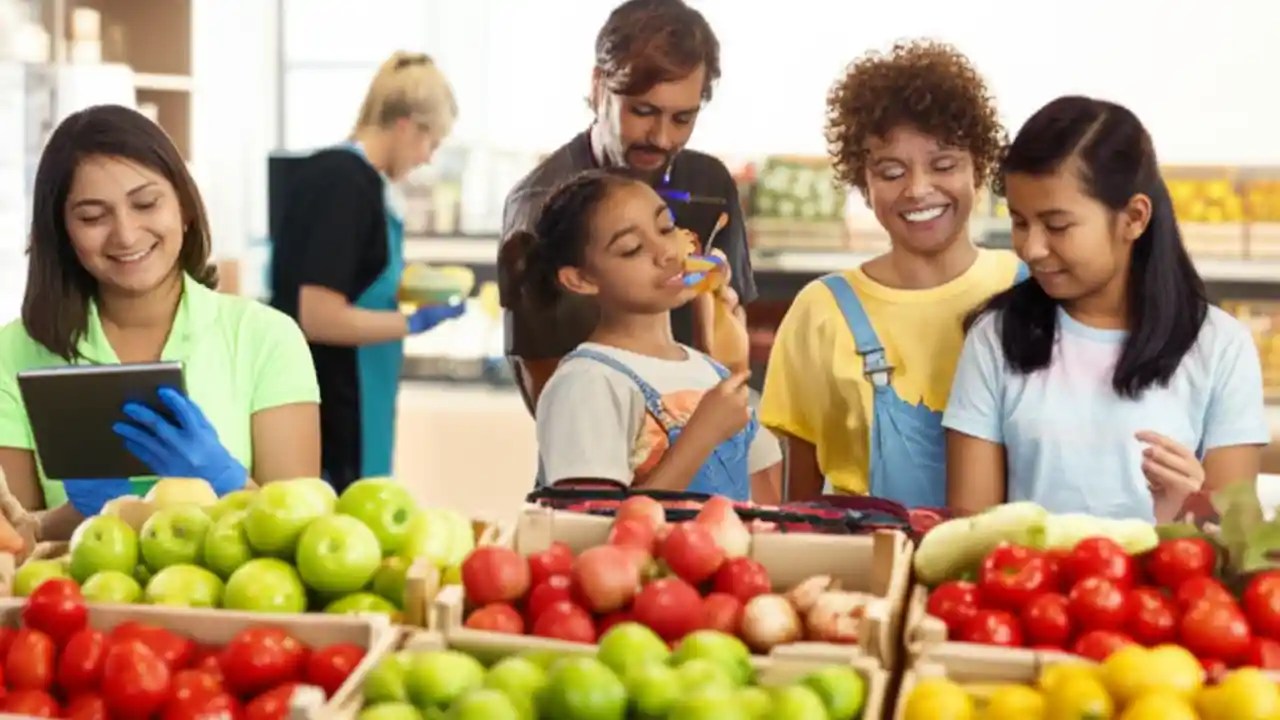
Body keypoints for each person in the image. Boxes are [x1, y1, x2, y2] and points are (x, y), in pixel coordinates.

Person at [0, 104, 321, 543]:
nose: (126, 235)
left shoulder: (266, 338)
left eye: (146, 203)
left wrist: (227, 484)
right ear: (63, 232)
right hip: (74, 607)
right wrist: (76, 515)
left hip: (227, 607)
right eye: (93, 217)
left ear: (185, 207)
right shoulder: (15, 351)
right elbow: (13, 544)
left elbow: (303, 536)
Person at [943, 96, 1268, 523]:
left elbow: (1237, 546)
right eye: (1020, 222)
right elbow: (971, 532)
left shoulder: (1221, 346)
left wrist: (1191, 510)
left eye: (1057, 226)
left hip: (1167, 588)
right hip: (1032, 588)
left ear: (1133, 218)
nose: (1032, 248)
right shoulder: (995, 338)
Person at [760, 41, 1024, 506]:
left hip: (1012, 570)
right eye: (891, 171)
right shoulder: (822, 311)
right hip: (864, 564)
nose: (918, 190)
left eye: (944, 165)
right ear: (863, 182)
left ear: (978, 169)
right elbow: (796, 501)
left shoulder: (1027, 289)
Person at [498, 0, 756, 414]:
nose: (662, 137)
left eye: (682, 118)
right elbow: (543, 381)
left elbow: (734, 326)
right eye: (643, 111)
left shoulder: (710, 187)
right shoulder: (540, 204)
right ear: (600, 86)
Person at [508, 170, 782, 502]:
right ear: (579, 279)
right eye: (632, 248)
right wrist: (702, 435)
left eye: (666, 228)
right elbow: (594, 532)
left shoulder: (711, 373)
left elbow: (768, 506)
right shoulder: (586, 383)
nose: (666, 252)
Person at [270, 51, 462, 492]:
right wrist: (411, 323)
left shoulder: (361, 184)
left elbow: (352, 276)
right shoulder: (341, 183)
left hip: (357, 399)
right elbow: (318, 315)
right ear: (406, 126)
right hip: (333, 409)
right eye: (431, 142)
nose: (428, 158)